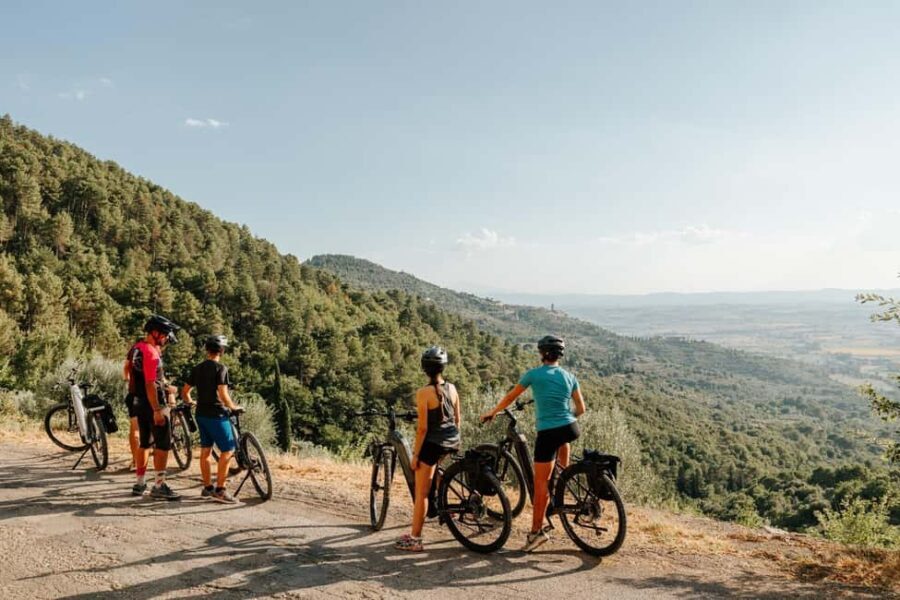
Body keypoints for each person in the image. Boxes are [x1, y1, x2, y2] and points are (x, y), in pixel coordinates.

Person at [481, 335, 585, 552]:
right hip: (571, 428)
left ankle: (536, 532)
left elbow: (511, 396)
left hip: (548, 432)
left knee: (540, 487)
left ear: (543, 353)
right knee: (558, 471)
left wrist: (493, 412)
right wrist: (566, 418)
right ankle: (560, 492)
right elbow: (581, 409)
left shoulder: (534, 375)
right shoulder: (569, 376)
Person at [396, 346, 461, 552]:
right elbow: (457, 419)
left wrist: (415, 455)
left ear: (424, 369)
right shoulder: (452, 388)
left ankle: (415, 539)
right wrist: (452, 439)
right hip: (452, 439)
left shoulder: (424, 393)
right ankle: (445, 502)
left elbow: (423, 428)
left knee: (421, 492)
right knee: (436, 472)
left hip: (433, 443)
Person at [181, 335, 240, 504]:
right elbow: (223, 394)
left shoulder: (197, 368)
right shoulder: (221, 368)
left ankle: (207, 488)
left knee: (206, 451)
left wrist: (191, 402)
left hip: (201, 414)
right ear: (221, 351)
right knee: (228, 450)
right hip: (217, 414)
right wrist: (233, 407)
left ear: (207, 350)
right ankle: (220, 490)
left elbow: (185, 392)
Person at [129, 315, 182, 500]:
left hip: (139, 402)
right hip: (153, 404)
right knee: (162, 446)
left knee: (144, 444)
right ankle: (159, 486)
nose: (167, 337)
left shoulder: (136, 348)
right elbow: (151, 383)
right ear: (155, 332)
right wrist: (158, 409)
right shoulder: (151, 353)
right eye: (166, 334)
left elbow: (130, 371)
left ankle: (140, 482)